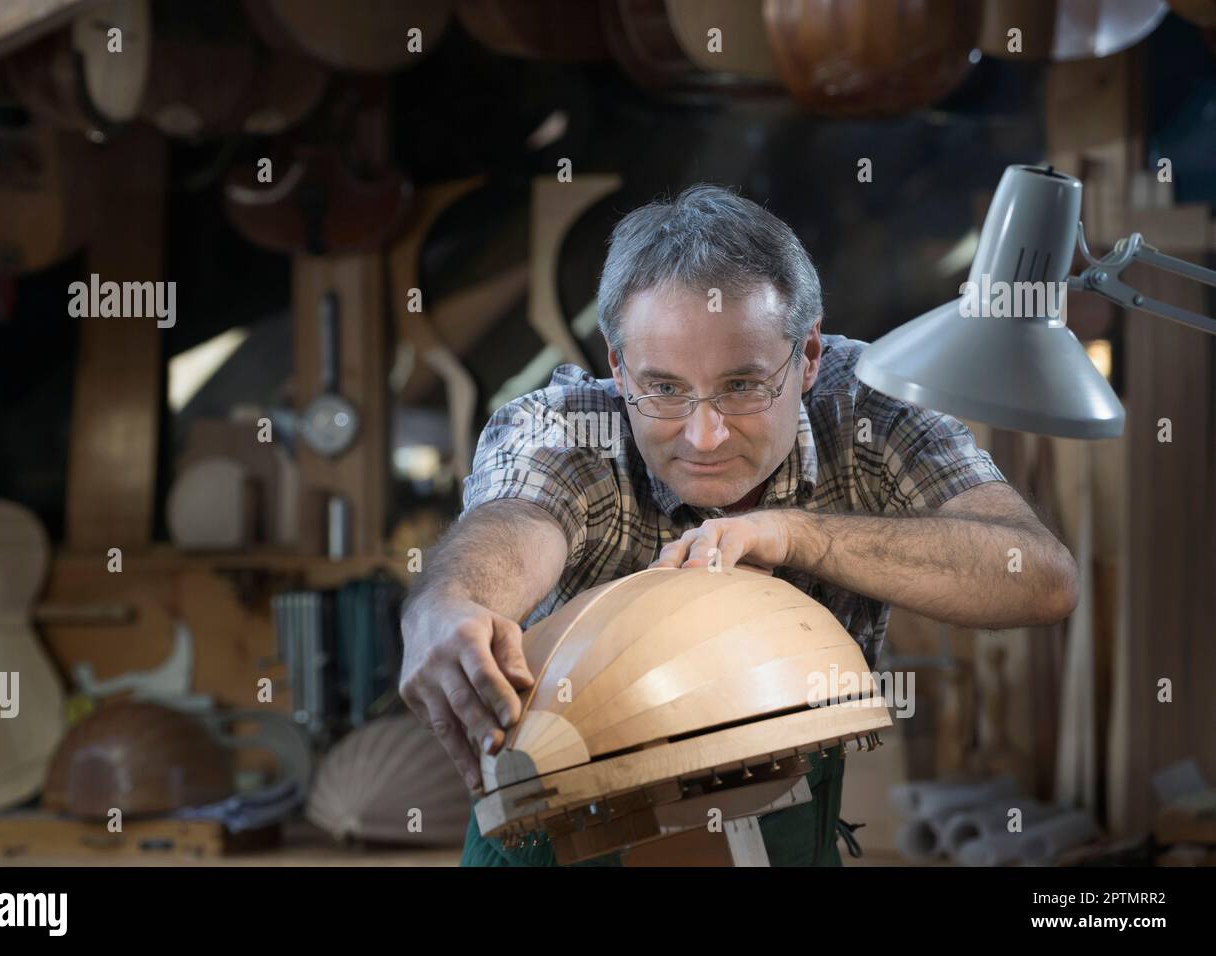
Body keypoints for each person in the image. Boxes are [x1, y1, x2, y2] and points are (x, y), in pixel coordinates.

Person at [400, 184, 1079, 866]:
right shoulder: (567, 426)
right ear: (617, 363)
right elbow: (518, 518)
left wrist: (799, 534)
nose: (702, 435)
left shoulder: (874, 407)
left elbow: (1040, 578)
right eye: (663, 388)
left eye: (742, 386)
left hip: (783, 807)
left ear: (809, 353)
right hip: (564, 817)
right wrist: (456, 602)